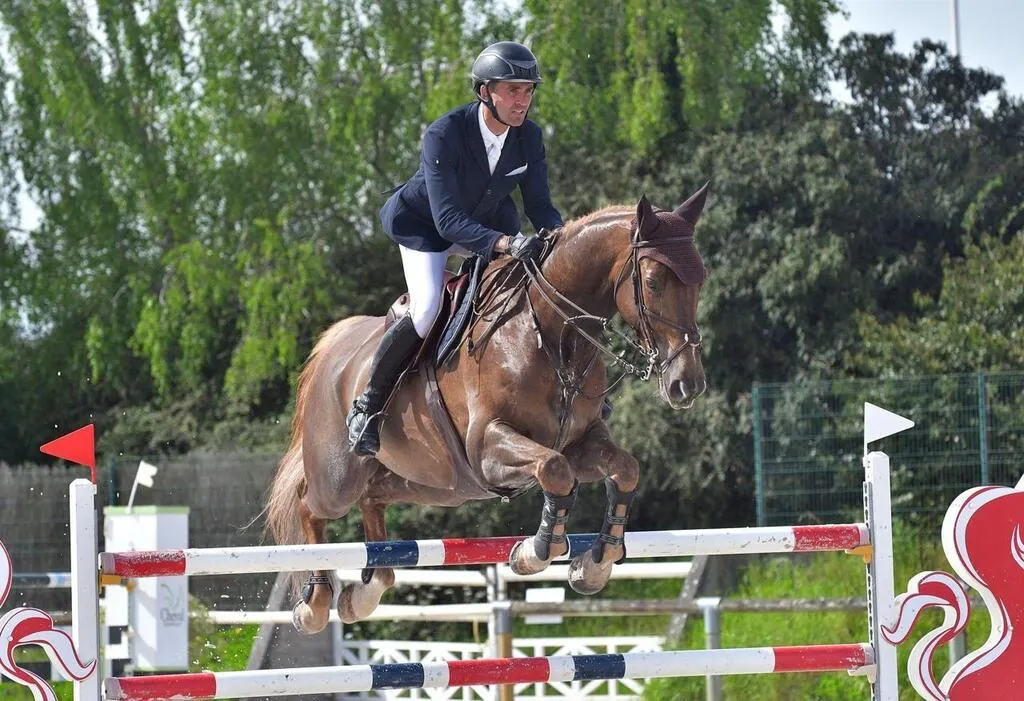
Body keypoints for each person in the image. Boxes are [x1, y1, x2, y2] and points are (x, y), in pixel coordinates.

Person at [346, 41, 564, 456]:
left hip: (485, 223)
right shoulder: (444, 134)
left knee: (531, 285)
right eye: (513, 90)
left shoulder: (529, 137)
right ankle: (368, 406)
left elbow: (539, 207)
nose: (523, 100)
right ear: (485, 92)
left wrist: (561, 238)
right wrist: (504, 242)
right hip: (425, 228)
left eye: (529, 90)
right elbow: (446, 220)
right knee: (427, 309)